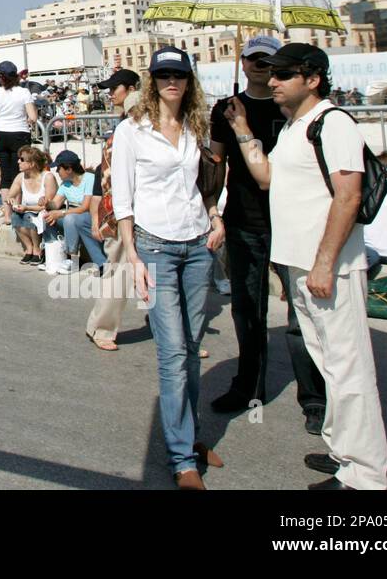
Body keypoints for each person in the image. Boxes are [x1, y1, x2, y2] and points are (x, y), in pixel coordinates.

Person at [225, 42, 387, 490]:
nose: (272, 81)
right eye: (270, 73)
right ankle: (344, 452)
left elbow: (349, 196)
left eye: (283, 74)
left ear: (312, 78)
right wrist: (241, 127)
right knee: (328, 361)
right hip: (301, 266)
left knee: (349, 369)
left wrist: (322, 263)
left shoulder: (334, 124)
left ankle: (365, 477)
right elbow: (266, 176)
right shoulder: (299, 126)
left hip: (329, 269)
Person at [112, 46, 225, 489]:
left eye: (179, 74)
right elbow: (123, 198)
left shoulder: (197, 126)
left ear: (188, 80)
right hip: (155, 246)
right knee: (173, 351)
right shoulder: (131, 131)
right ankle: (181, 458)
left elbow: (205, 185)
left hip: (198, 242)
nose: (171, 82)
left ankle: (191, 438)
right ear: (152, 80)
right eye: (163, 75)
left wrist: (216, 218)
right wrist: (133, 255)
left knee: (192, 344)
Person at [207, 35, 323, 416]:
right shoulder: (225, 109)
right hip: (244, 221)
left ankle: (314, 397)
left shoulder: (291, 107)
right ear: (242, 63)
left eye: (269, 61)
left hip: (290, 221)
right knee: (246, 309)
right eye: (253, 59)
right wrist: (211, 208)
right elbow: (217, 163)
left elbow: (270, 172)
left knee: (299, 315)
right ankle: (249, 387)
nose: (260, 66)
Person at [85, 68, 140, 350]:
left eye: (114, 89)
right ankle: (102, 329)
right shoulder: (122, 124)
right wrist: (97, 214)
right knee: (118, 270)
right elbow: (102, 174)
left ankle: (176, 332)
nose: (110, 94)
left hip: (139, 206)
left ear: (130, 89)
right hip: (121, 210)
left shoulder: (138, 123)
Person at [0, 61, 37, 194]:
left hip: (1, 133)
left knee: (5, 176)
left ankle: (7, 213)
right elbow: (33, 117)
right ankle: (17, 206)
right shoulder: (24, 92)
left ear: (1, 76)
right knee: (18, 173)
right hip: (20, 133)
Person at [48, 150, 101, 269]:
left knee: (69, 219)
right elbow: (55, 204)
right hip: (71, 215)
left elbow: (85, 207)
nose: (56, 171)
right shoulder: (65, 184)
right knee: (46, 216)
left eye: (58, 168)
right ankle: (49, 255)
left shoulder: (89, 179)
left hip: (88, 216)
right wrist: (47, 203)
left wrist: (61, 213)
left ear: (69, 169)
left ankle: (72, 258)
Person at [6, 145, 56, 265]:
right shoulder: (20, 177)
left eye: (22, 159)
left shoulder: (47, 177)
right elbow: (10, 195)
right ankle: (29, 247)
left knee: (30, 216)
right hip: (28, 210)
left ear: (32, 164)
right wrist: (12, 200)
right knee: (15, 217)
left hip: (45, 212)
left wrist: (27, 208)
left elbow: (50, 205)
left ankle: (37, 249)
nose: (18, 161)